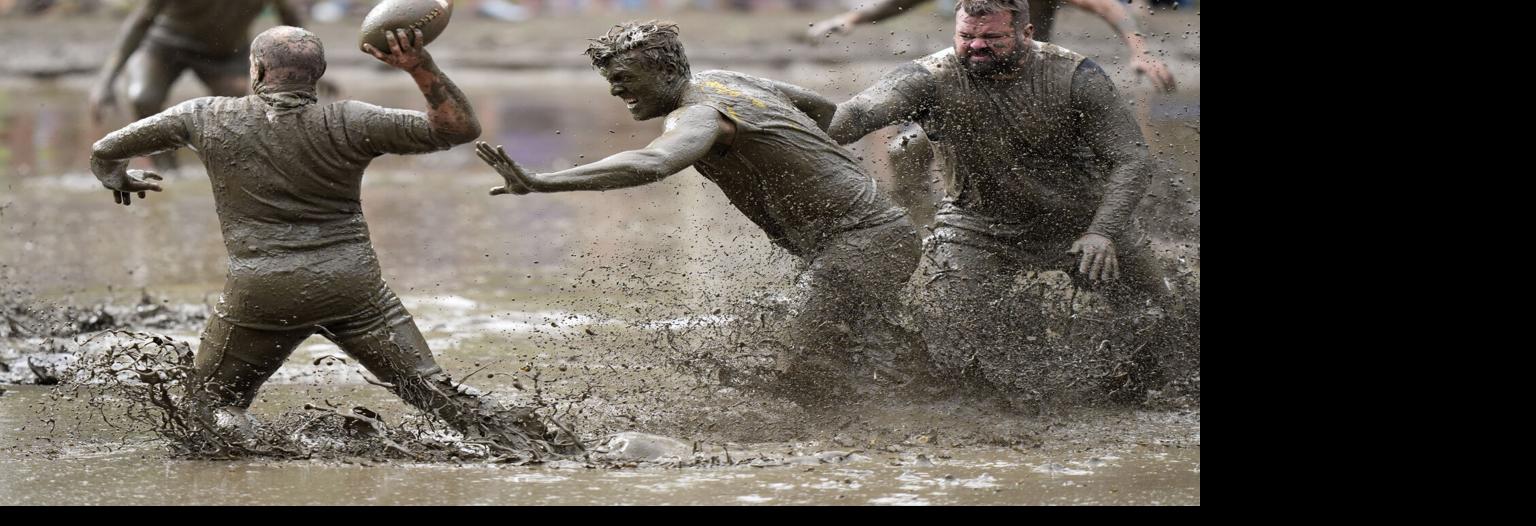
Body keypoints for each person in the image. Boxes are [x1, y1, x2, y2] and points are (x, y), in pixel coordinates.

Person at [89, 26, 547, 445]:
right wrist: (419, 66)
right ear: (320, 75)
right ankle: (540, 445)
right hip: (354, 287)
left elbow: (105, 149)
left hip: (263, 289)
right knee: (436, 393)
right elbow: (458, 129)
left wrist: (117, 177)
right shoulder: (352, 120)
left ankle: (249, 470)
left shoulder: (203, 115)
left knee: (208, 410)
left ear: (257, 70)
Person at [474, 21, 922, 400]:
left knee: (796, 362)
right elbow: (822, 108)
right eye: (610, 79)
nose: (615, 90)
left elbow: (654, 161)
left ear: (666, 69)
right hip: (875, 235)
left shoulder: (698, 114)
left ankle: (858, 432)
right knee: (852, 344)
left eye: (625, 77)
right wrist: (807, 154)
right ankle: (933, 399)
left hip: (863, 241)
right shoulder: (730, 79)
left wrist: (540, 182)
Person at [829, 0, 1181, 399]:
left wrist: (1104, 231)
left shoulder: (1074, 76)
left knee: (1165, 325)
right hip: (976, 225)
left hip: (1083, 221)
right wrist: (775, 117)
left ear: (1026, 34)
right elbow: (856, 114)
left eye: (992, 38)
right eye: (966, 37)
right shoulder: (930, 75)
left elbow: (1132, 158)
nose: (977, 46)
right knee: (951, 337)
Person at [809, 0, 1175, 92]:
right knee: (905, 151)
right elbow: (898, 2)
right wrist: (850, 20)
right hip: (971, 73)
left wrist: (1139, 52)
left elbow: (1108, 6)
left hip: (1033, 75)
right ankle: (916, 231)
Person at [90, 1, 307, 122]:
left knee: (236, 114)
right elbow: (140, 22)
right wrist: (105, 81)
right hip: (164, 44)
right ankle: (167, 173)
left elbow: (290, 19)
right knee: (143, 97)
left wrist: (305, 68)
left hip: (224, 54)